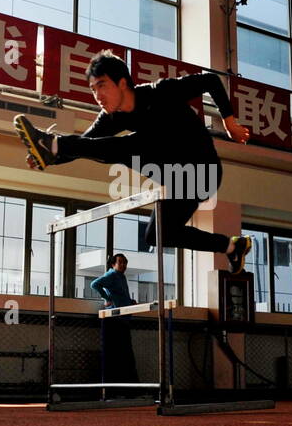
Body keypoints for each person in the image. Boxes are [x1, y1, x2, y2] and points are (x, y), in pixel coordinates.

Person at [14, 51, 254, 273]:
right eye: (93, 89)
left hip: (203, 171)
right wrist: (47, 160)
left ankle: (51, 143)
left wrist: (229, 123)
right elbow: (84, 145)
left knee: (129, 145)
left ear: (122, 83)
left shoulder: (160, 91)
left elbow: (210, 81)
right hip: (176, 177)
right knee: (157, 234)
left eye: (101, 86)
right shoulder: (110, 117)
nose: (97, 96)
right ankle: (233, 247)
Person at [90, 253, 140, 387]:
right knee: (119, 354)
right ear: (113, 264)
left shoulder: (121, 277)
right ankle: (115, 387)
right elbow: (94, 284)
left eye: (125, 263)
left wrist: (130, 301)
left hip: (123, 317)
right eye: (120, 262)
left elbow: (120, 294)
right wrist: (106, 298)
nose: (123, 265)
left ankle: (126, 387)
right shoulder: (111, 275)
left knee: (125, 354)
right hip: (115, 318)